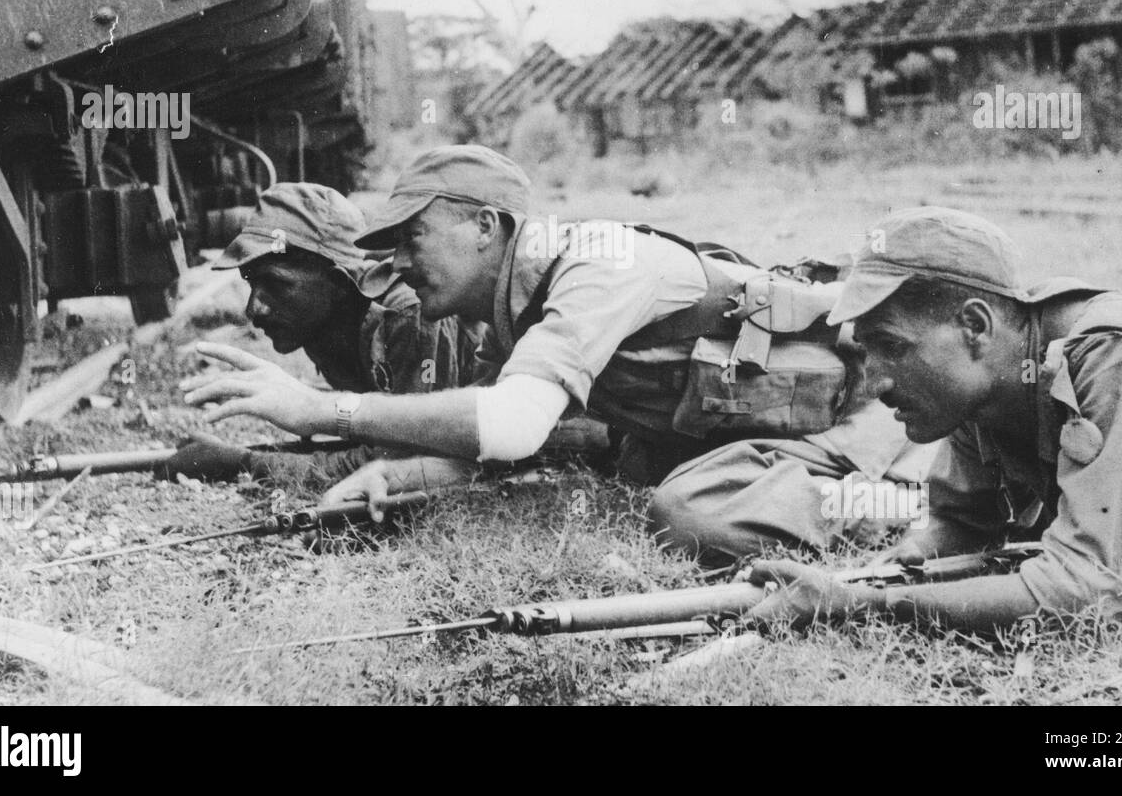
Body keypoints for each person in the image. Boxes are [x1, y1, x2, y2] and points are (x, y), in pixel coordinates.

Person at [181, 145, 930, 550]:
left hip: (869, 423)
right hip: (745, 441)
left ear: (488, 226)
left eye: (412, 238)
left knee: (682, 513)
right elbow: (491, 449)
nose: (400, 265)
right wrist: (393, 471)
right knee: (671, 499)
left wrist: (324, 409)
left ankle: (911, 501)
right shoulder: (506, 317)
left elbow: (514, 424)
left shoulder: (596, 262)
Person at [743, 206, 1122, 633]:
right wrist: (901, 563)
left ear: (975, 326)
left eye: (893, 347)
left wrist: (866, 604)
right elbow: (966, 522)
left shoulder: (1118, 358)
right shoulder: (987, 377)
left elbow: (1094, 593)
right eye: (869, 352)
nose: (875, 384)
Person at [168, 182, 481, 487]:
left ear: (338, 283)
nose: (254, 309)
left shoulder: (406, 317)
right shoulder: (325, 322)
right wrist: (241, 455)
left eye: (276, 285)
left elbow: (403, 464)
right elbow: (372, 441)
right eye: (252, 285)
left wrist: (241, 463)